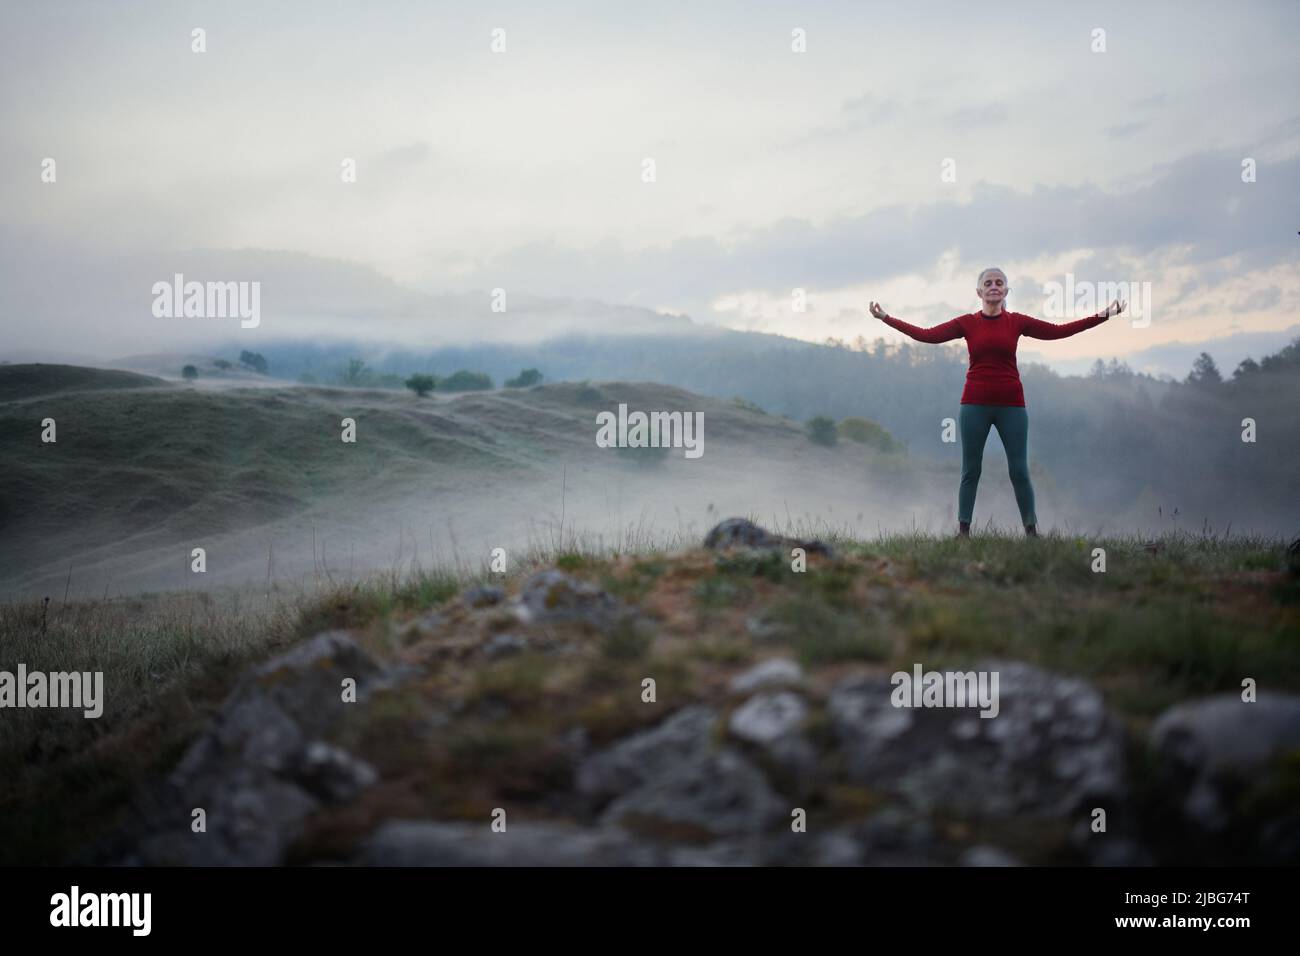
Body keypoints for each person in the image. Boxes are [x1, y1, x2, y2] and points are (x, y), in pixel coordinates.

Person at [869, 268, 1124, 538]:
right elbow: (926, 335)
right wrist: (886, 318)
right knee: (971, 469)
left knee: (1019, 470)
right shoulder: (967, 323)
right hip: (974, 405)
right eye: (988, 283)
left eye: (999, 283)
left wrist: (1104, 315)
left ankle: (1031, 532)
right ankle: (963, 531)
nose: (994, 286)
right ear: (979, 292)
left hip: (1012, 405)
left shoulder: (1016, 322)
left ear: (1006, 291)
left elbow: (1059, 332)